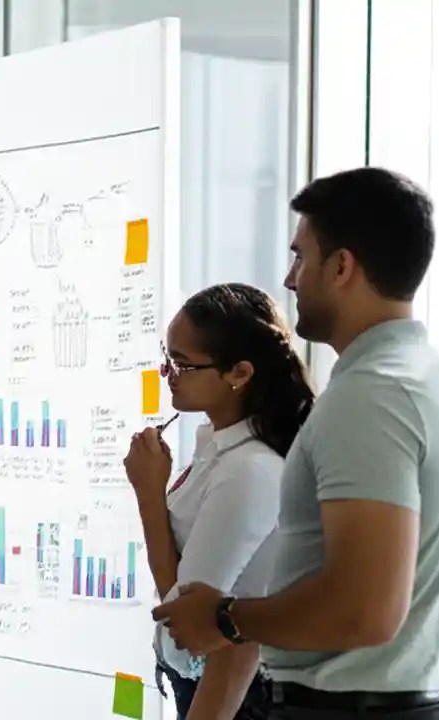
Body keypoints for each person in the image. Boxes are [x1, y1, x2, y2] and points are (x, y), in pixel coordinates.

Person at [153, 167, 439, 719]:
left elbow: (366, 611)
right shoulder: (423, 376)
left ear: (342, 267)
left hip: (349, 708)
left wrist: (226, 618)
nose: (290, 280)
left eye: (301, 257)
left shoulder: (373, 396)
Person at [125, 282, 315, 720]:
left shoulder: (249, 470)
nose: (166, 373)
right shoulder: (216, 443)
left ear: (240, 374)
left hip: (231, 695)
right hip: (202, 682)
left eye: (182, 364)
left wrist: (149, 497)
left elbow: (184, 621)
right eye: (167, 357)